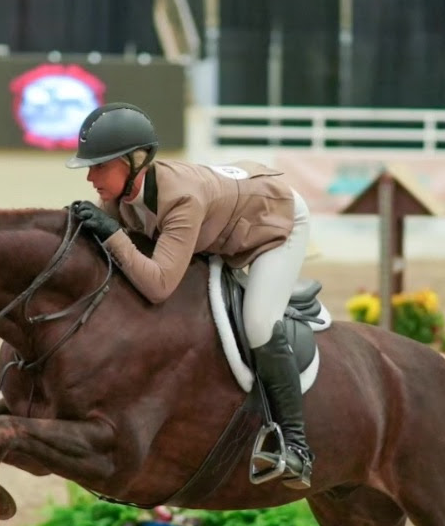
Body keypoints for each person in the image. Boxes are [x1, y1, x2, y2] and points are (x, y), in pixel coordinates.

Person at [66, 102, 314, 489]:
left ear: (134, 161)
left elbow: (159, 283)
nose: (90, 177)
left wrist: (111, 234)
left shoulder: (182, 199)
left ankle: (296, 447)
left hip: (276, 223)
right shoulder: (119, 194)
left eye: (98, 166)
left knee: (260, 322)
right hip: (228, 213)